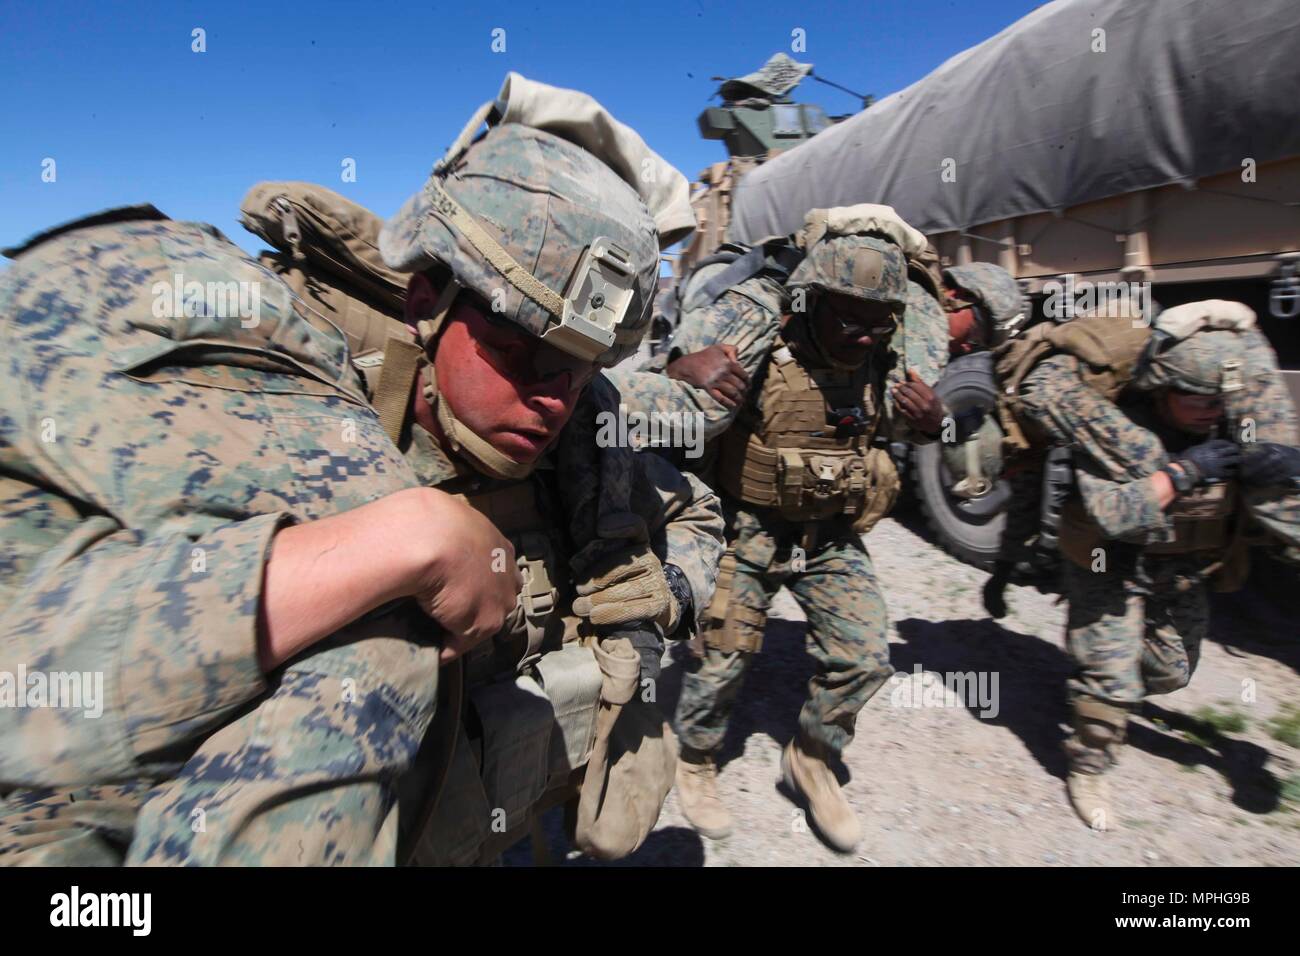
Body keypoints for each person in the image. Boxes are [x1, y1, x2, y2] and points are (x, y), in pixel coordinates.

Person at [0, 74, 724, 865]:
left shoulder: (587, 438)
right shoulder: (262, 411)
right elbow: (46, 682)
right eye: (518, 355)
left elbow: (694, 510)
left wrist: (668, 596)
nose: (549, 401)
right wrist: (385, 548)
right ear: (425, 302)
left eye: (577, 371)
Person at [608, 206, 948, 852]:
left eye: (880, 323)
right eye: (849, 318)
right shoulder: (763, 327)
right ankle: (698, 761)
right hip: (750, 523)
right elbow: (658, 403)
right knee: (720, 654)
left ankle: (813, 758)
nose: (863, 336)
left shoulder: (880, 352)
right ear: (813, 296)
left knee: (865, 654)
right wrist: (677, 373)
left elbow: (915, 429)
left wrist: (935, 421)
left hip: (827, 533)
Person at [1008, 299, 1300, 829]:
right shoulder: (1119, 425)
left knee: (1169, 672)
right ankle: (1089, 762)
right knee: (1114, 684)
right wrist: (1184, 471)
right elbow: (1116, 514)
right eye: (1197, 399)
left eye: (1219, 399)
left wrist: (1278, 469)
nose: (1212, 411)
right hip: (1109, 564)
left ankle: (1094, 676)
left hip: (1181, 569)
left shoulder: (1230, 421)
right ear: (1164, 389)